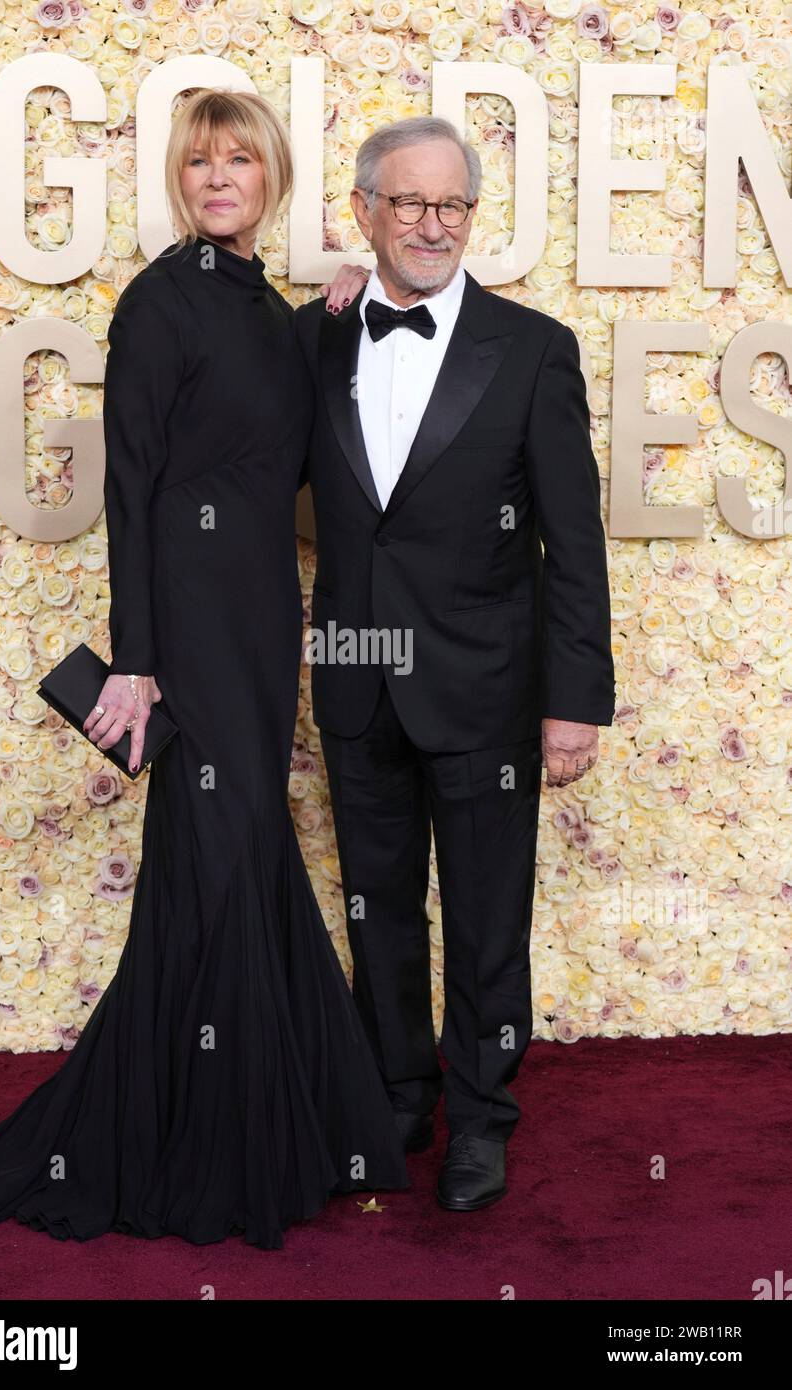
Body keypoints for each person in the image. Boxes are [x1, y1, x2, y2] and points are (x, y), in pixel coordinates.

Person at [0, 89, 408, 1250]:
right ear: (181, 183)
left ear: (272, 178)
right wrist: (133, 665)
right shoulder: (155, 305)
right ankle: (196, 1144)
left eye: (240, 161)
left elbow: (277, 419)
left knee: (239, 854)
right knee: (221, 860)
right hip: (188, 629)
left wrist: (337, 299)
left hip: (257, 622)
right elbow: (131, 490)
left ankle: (263, 1122)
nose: (218, 179)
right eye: (200, 164)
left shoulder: (261, 309)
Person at [294, 116, 616, 1213]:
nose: (431, 225)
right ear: (364, 213)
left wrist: (572, 704)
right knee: (378, 903)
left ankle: (481, 1113)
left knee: (486, 913)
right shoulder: (315, 336)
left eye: (451, 206)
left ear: (469, 216)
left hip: (485, 682)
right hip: (353, 667)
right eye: (407, 203)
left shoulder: (531, 348)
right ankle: (397, 1091)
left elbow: (571, 541)